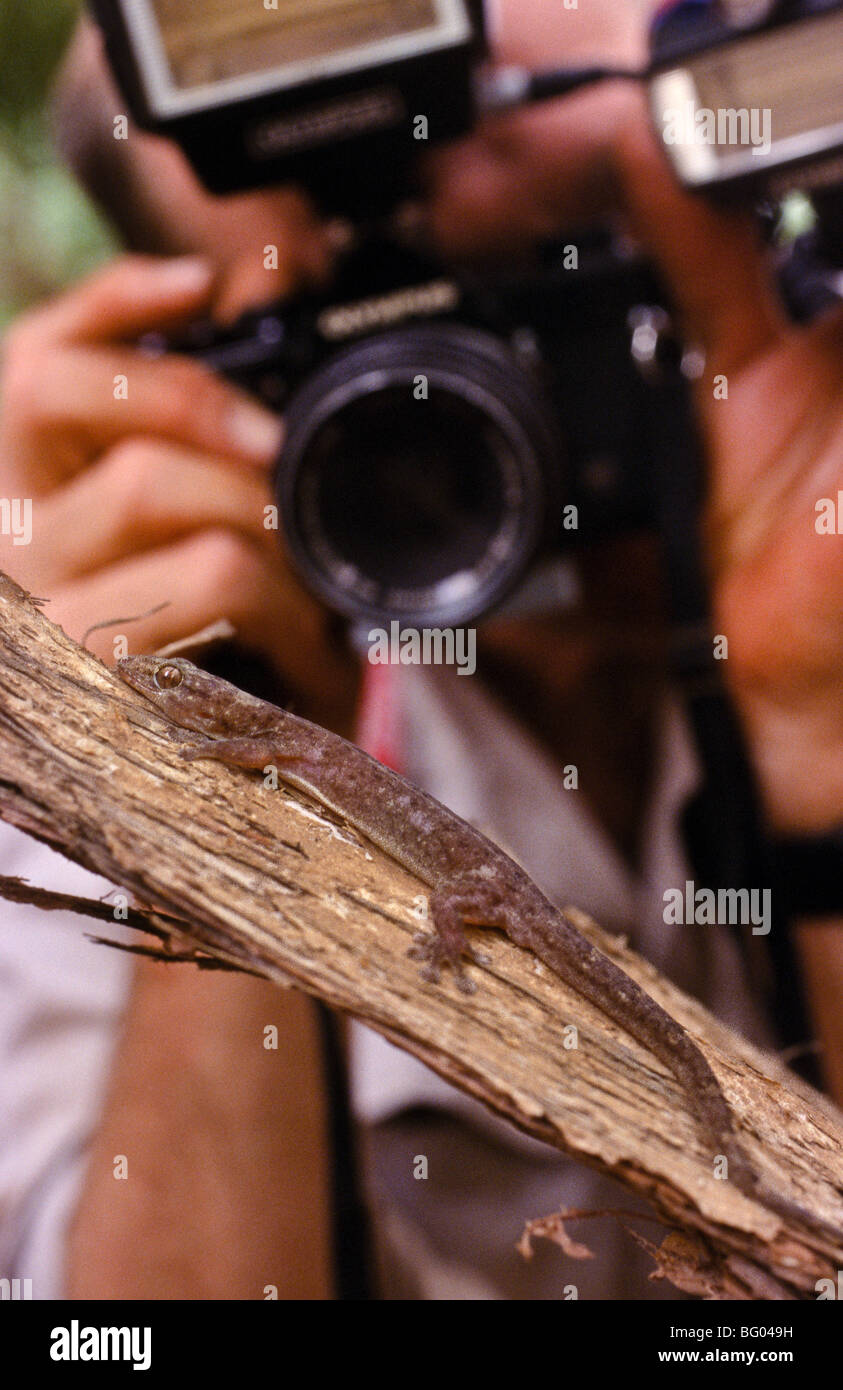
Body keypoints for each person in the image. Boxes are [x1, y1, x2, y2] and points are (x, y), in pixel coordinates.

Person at [0, 0, 841, 1299]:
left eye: (545, 280)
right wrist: (172, 778)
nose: (445, 403)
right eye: (340, 345)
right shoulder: (193, 728)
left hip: (485, 887)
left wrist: (823, 734)